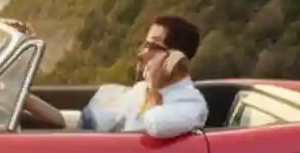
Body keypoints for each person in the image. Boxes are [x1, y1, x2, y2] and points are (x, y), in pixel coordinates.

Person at [21, 14, 209, 138]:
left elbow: (155, 124)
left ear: (174, 59)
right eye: (144, 45)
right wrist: (25, 98)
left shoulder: (189, 105)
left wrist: (156, 85)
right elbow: (82, 125)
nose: (141, 54)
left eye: (153, 47)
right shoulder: (139, 90)